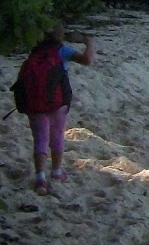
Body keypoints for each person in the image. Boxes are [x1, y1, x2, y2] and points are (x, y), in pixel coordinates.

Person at [18, 24, 94, 194]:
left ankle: (40, 178)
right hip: (57, 103)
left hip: (34, 104)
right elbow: (87, 60)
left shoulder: (35, 52)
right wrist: (89, 42)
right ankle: (57, 172)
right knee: (57, 135)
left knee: (40, 139)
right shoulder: (62, 51)